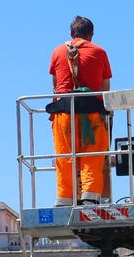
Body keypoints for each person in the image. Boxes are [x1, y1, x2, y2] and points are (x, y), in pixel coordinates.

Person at [48, 15, 112, 206]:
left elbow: (55, 86)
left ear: (71, 33)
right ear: (91, 34)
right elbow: (105, 88)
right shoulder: (99, 52)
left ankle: (64, 198)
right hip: (92, 114)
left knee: (65, 156)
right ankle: (90, 196)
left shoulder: (57, 52)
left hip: (63, 114)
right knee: (92, 155)